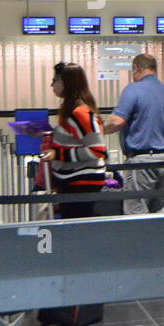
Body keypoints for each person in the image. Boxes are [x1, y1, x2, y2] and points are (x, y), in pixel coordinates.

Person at [106, 53, 164, 215]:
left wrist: (97, 131)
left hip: (141, 162)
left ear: (136, 69)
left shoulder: (132, 89)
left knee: (136, 210)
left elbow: (116, 122)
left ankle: (139, 240)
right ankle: (159, 239)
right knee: (160, 209)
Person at [39, 62, 108, 219]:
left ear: (66, 83)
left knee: (77, 229)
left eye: (55, 80)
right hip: (73, 181)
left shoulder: (80, 113)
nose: (52, 85)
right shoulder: (72, 110)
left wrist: (57, 154)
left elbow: (97, 150)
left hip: (81, 183)